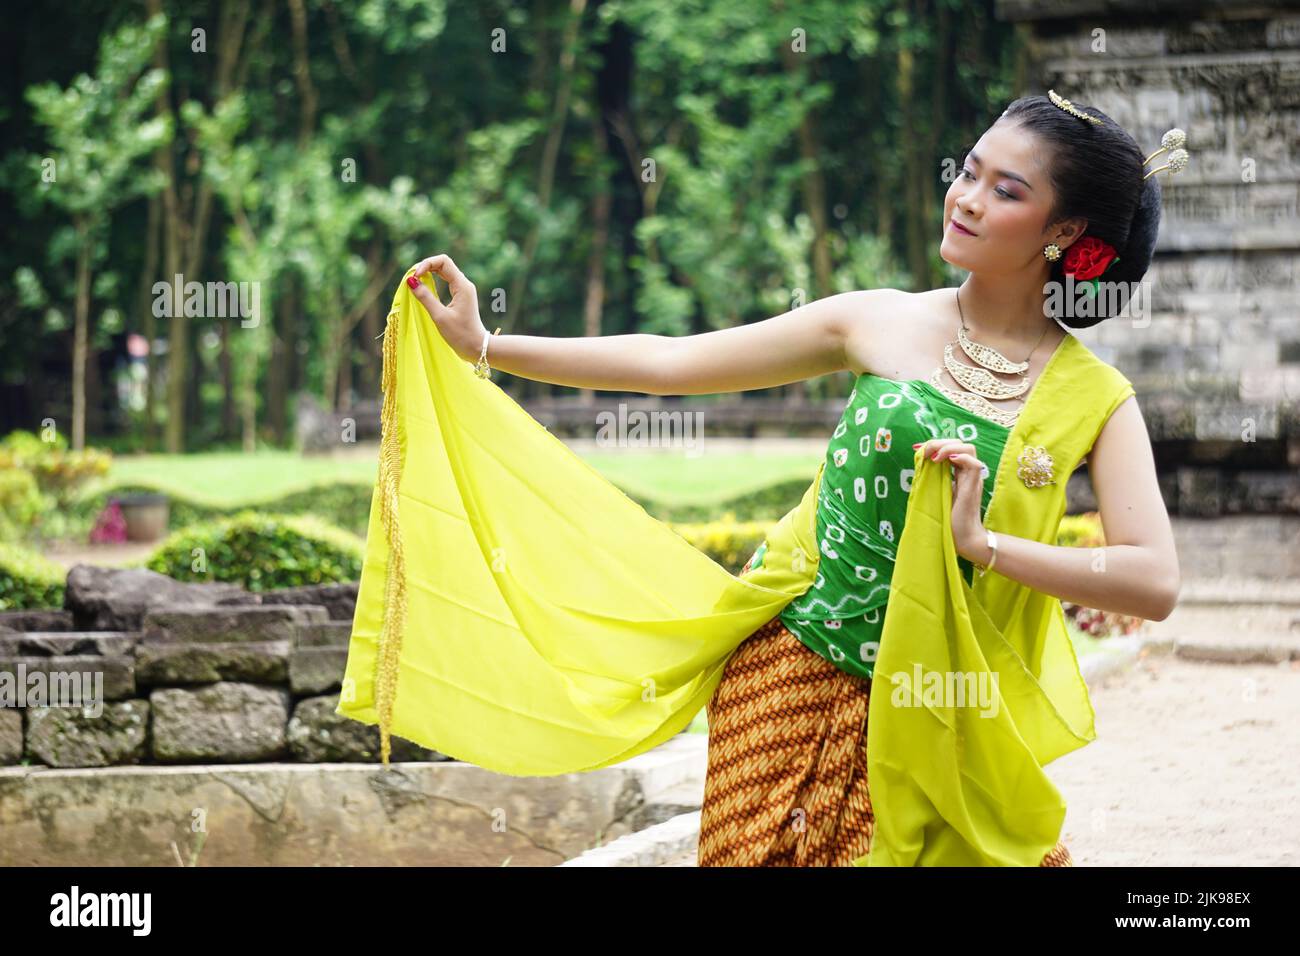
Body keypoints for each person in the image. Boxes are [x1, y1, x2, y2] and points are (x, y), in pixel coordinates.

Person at [393, 91, 1183, 866]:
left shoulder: (1095, 401)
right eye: (969, 171)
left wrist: (984, 546)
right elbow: (674, 360)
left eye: (1006, 190)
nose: (968, 199)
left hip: (945, 713)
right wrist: (489, 346)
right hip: (787, 676)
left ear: (1066, 232)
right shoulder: (877, 320)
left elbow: (1152, 580)